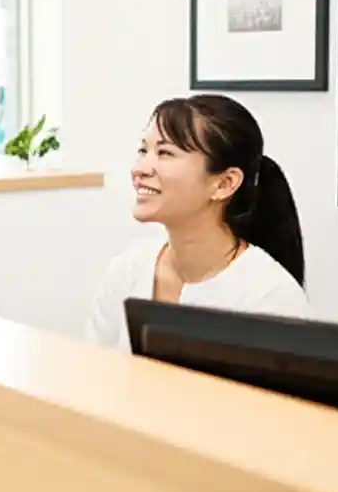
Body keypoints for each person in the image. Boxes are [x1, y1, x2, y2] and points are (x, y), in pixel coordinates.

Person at [86, 94, 310, 352]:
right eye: (143, 150)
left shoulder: (269, 296)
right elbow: (95, 373)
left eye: (165, 153)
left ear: (224, 184)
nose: (140, 169)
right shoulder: (127, 269)